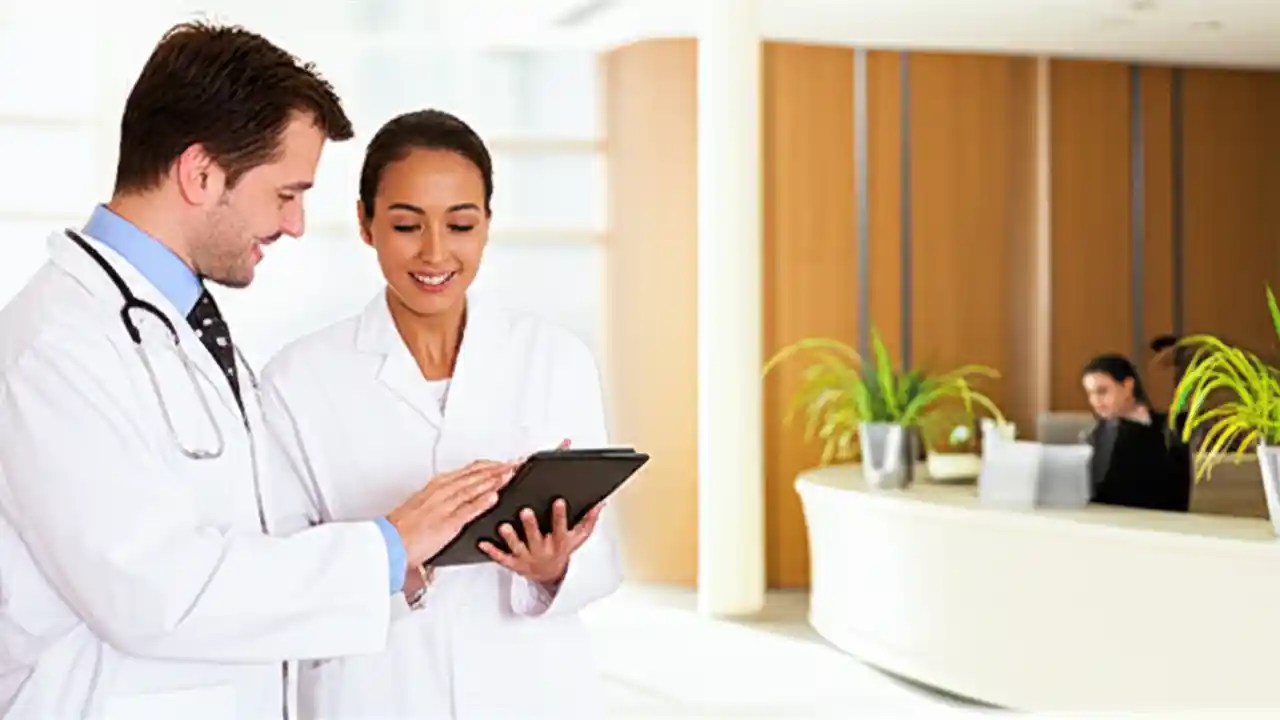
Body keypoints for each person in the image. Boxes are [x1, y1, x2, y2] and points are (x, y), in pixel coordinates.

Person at [0, 23, 514, 719]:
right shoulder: (58, 345)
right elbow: (153, 592)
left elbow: (245, 538)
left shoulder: (184, 331)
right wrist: (384, 549)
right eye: (284, 193)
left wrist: (409, 549)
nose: (297, 223)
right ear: (200, 173)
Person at [260, 109, 621, 719]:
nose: (435, 253)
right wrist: (394, 553)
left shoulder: (555, 359)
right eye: (406, 225)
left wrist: (554, 567)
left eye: (460, 224)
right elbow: (280, 580)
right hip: (377, 691)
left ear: (486, 225)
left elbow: (603, 555)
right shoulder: (298, 380)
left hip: (531, 689)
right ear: (365, 224)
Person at [1081, 354, 1191, 512]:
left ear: (1127, 386)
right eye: (1090, 394)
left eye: (1102, 391)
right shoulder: (1094, 436)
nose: (1095, 401)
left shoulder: (1171, 428)